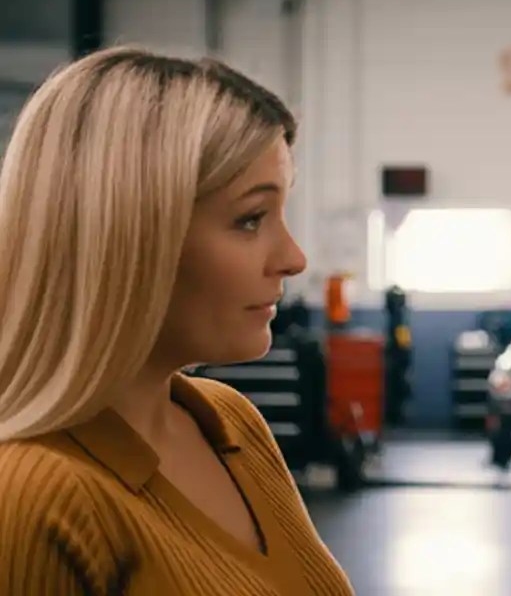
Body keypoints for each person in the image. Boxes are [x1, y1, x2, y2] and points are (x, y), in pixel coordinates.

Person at [0, 46, 354, 595]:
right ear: (129, 236)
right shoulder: (30, 494)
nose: (294, 257)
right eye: (250, 219)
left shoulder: (229, 422)